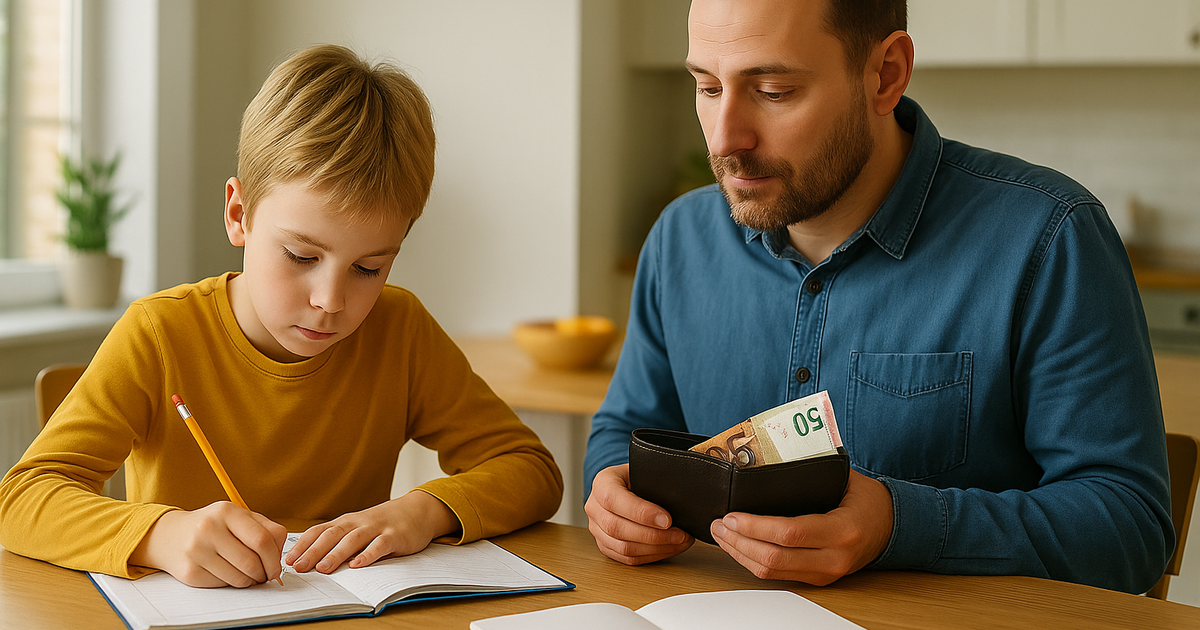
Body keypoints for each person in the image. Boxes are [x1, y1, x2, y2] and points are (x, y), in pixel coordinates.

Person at [583, 0, 1172, 594]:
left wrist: (899, 524)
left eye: (774, 90)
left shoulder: (1048, 238)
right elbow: (626, 432)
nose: (726, 138)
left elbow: (1130, 526)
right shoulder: (679, 240)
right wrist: (611, 492)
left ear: (886, 73)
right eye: (707, 88)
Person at [0, 44, 563, 588]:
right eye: (301, 257)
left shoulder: (401, 329)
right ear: (239, 214)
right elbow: (21, 501)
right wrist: (162, 535)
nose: (331, 300)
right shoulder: (160, 333)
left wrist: (422, 512)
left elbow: (531, 470)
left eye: (368, 267)